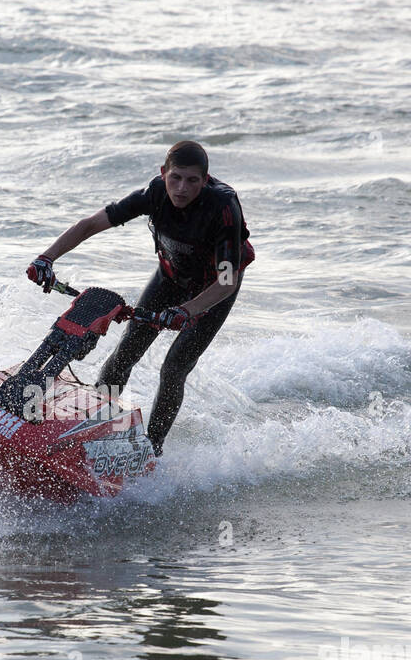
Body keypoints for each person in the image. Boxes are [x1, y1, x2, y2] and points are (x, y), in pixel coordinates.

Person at [25, 140, 254, 456]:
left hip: (213, 291)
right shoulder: (155, 193)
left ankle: (151, 450)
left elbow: (227, 281)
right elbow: (91, 224)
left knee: (174, 368)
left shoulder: (224, 206)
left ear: (205, 180)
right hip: (170, 278)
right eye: (175, 178)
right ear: (164, 173)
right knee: (125, 353)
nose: (181, 188)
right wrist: (46, 258)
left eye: (192, 180)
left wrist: (186, 311)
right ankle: (97, 429)